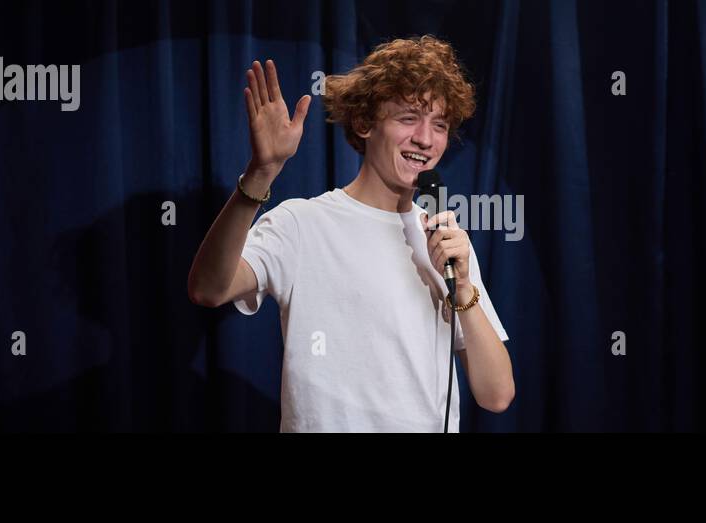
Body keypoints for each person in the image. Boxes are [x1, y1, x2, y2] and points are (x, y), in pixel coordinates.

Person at [187, 36, 514, 432]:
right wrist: (261, 173)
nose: (425, 140)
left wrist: (462, 288)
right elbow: (208, 289)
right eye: (408, 118)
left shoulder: (445, 242)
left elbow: (496, 396)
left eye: (439, 125)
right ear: (364, 123)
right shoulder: (301, 223)